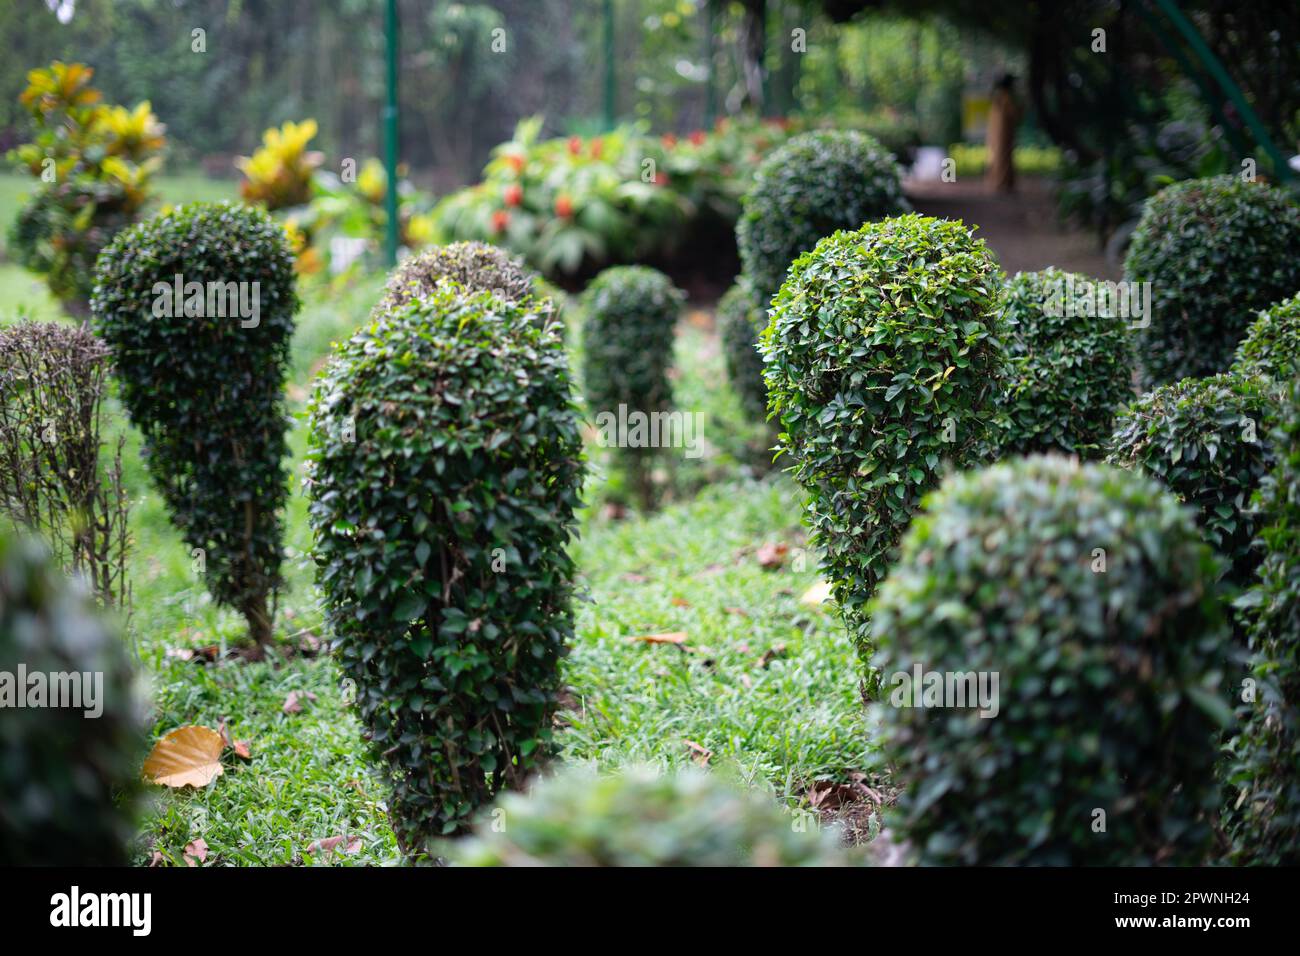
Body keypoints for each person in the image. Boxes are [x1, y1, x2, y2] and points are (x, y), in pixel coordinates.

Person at [986, 74, 1021, 194]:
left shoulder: (997, 97)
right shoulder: (1006, 97)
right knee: (1004, 158)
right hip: (1004, 135)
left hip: (995, 135)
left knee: (997, 158)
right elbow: (1015, 114)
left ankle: (1000, 184)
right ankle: (1003, 185)